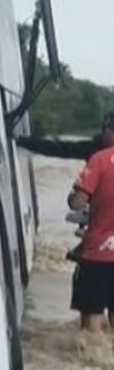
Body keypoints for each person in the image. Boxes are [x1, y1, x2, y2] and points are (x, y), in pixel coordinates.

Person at [66, 131, 114, 331]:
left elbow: (77, 203)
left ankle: (94, 362)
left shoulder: (100, 160)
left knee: (91, 322)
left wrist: (72, 196)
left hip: (98, 255)